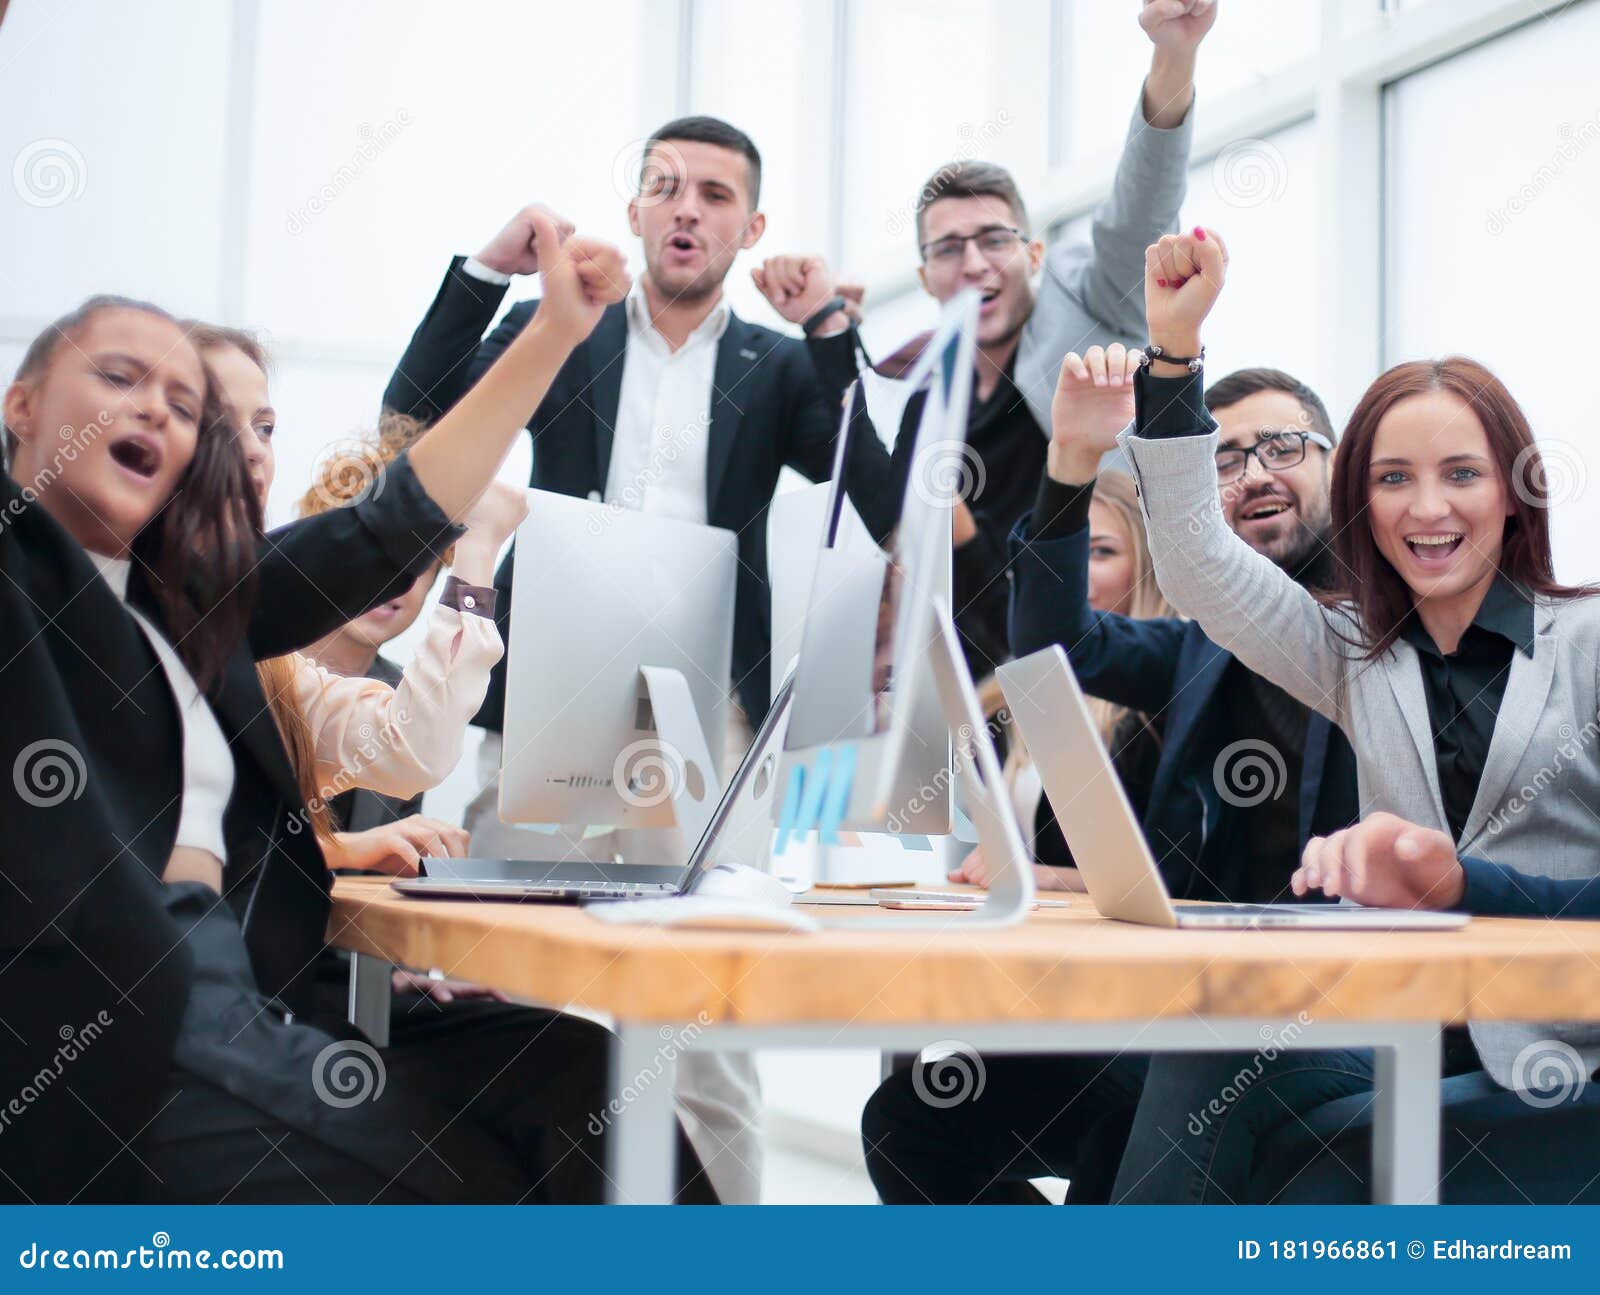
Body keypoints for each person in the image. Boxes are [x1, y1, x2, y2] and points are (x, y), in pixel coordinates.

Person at [0, 225, 707, 1202]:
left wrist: (551, 333)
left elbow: (384, 526)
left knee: (597, 1082)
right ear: (22, 404)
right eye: (120, 376)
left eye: (183, 404)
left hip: (266, 993)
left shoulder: (189, 603)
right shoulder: (21, 565)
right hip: (130, 1025)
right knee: (473, 1186)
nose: (157, 414)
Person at [382, 120, 895, 1203]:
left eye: (714, 194)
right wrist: (486, 273)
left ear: (748, 227)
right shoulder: (564, 328)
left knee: (707, 1013)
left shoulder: (778, 365)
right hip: (549, 681)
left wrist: (832, 328)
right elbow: (414, 418)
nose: (686, 208)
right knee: (494, 968)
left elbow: (883, 500)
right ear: (634, 211)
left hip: (707, 708)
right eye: (664, 186)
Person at [1107, 224, 1600, 1205]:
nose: (1427, 508)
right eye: (1391, 479)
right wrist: (1173, 358)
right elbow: (1200, 563)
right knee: (1204, 1051)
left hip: (1567, 1067)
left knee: (1318, 1180)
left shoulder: (1587, 645)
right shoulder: (1352, 652)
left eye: (1460, 473)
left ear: (1514, 490)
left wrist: (1465, 882)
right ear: (1359, 503)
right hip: (1409, 1035)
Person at [858, 347, 1361, 1205]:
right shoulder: (1206, 648)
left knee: (1119, 1132)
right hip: (1184, 999)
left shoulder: (1388, 646)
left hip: (1324, 1010)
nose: (1253, 475)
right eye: (1225, 460)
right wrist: (1072, 461)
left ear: (1336, 467)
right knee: (912, 1121)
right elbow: (1056, 640)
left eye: (1282, 446)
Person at [752, 0, 1212, 679]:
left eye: (994, 240)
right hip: (980, 674)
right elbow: (881, 492)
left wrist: (1173, 54)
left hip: (1112, 643)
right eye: (948, 249)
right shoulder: (927, 395)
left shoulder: (1091, 296)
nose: (973, 263)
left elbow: (1142, 205)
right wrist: (824, 322)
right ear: (925, 277)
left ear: (1032, 253)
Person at [951, 471, 1172, 892]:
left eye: (1102, 552)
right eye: (1069, 557)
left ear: (1148, 568)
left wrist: (1056, 878)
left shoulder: (1163, 703)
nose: (1070, 576)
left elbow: (1186, 878)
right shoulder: (1007, 700)